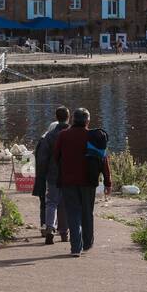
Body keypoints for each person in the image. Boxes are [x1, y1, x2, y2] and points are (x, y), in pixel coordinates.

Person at [53, 107, 112, 257]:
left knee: (73, 213)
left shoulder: (63, 135)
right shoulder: (94, 136)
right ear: (88, 121)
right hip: (89, 181)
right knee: (87, 212)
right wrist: (107, 182)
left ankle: (75, 248)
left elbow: (55, 157)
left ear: (73, 120)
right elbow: (103, 160)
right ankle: (86, 243)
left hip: (68, 181)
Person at [32, 105, 70, 245]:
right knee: (64, 204)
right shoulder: (71, 133)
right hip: (68, 174)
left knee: (51, 202)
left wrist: (43, 174)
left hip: (53, 175)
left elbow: (42, 158)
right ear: (68, 117)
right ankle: (64, 232)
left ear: (56, 117)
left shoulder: (49, 136)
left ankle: (49, 228)